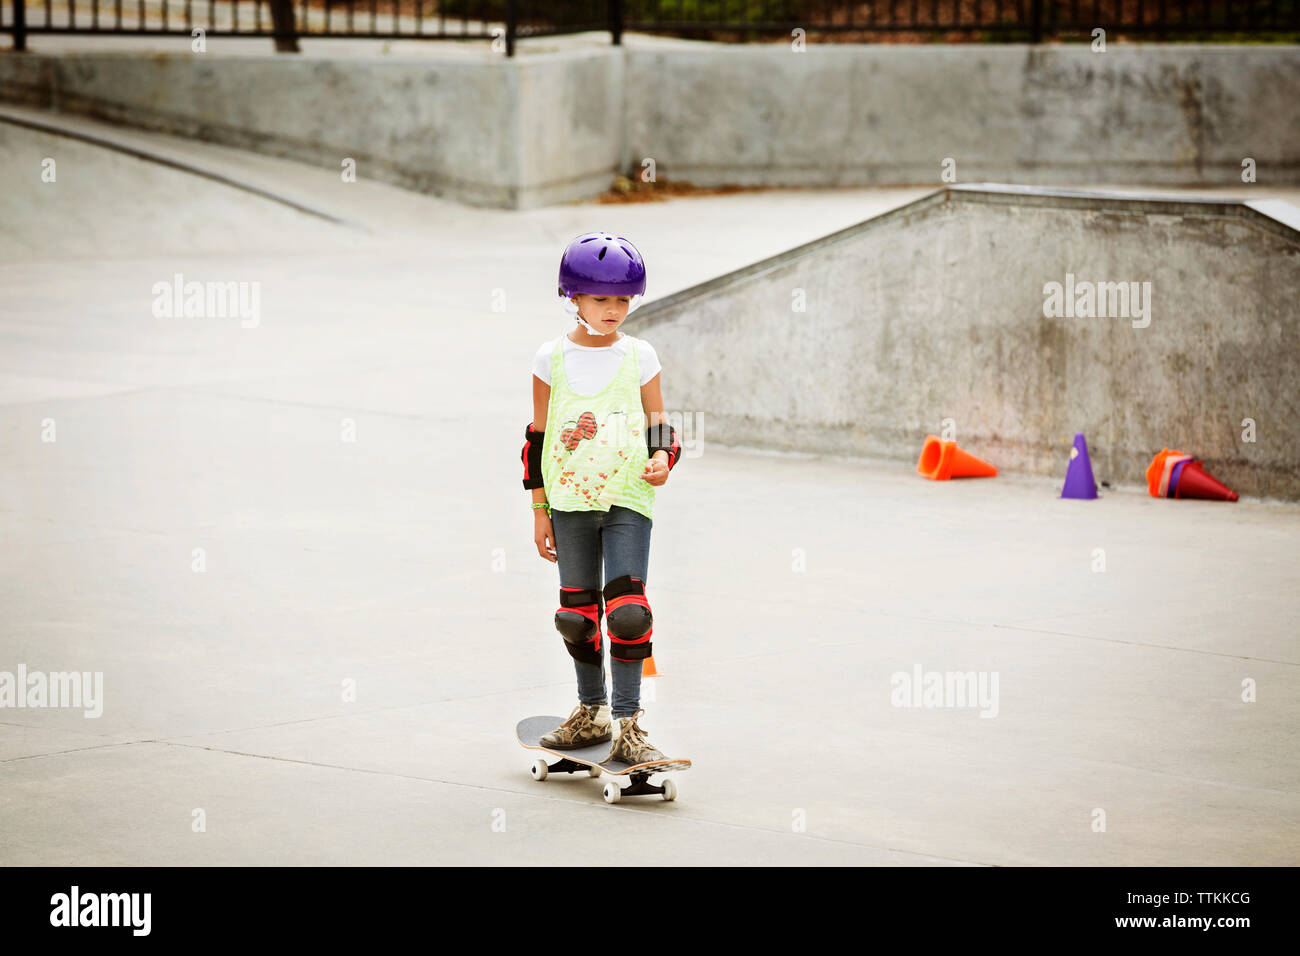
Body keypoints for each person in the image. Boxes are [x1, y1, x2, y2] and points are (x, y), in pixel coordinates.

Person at [519, 233, 682, 764]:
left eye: (623, 300)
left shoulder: (641, 354)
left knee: (629, 611)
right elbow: (538, 439)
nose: (614, 310)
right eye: (601, 299)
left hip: (628, 495)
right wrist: (540, 509)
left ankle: (629, 722)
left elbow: (659, 423)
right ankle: (591, 713)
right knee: (577, 616)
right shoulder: (551, 358)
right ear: (574, 298)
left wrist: (664, 458)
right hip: (568, 500)